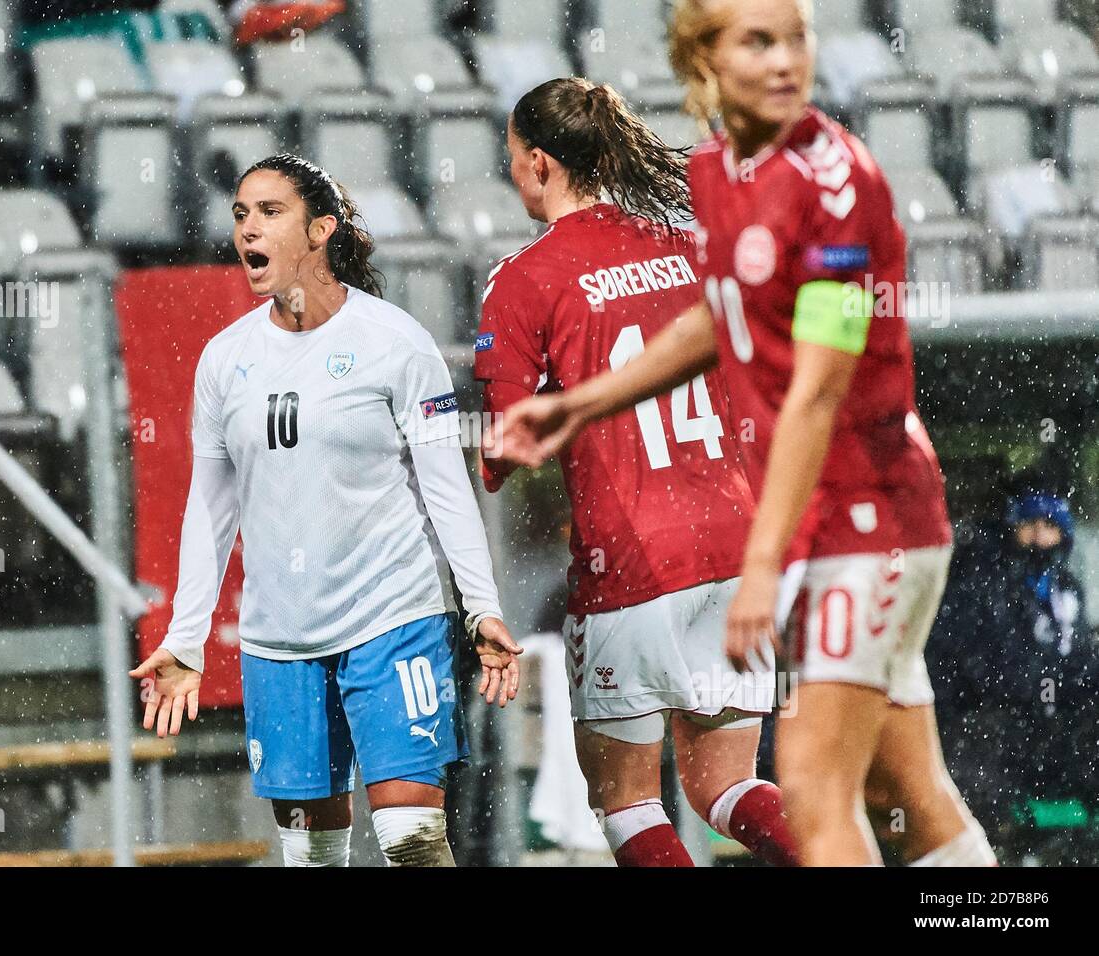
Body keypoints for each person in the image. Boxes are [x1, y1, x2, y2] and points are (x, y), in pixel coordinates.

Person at [489, 0, 995, 867]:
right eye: (758, 41)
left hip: (864, 517)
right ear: (703, 60)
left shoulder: (836, 177)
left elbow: (821, 383)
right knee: (902, 790)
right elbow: (714, 323)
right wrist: (580, 404)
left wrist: (765, 564)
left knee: (817, 789)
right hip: (815, 527)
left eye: (797, 37)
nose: (786, 59)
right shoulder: (721, 179)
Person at [129, 154, 522, 867]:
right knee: (312, 857)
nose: (248, 228)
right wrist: (186, 637)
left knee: (411, 841)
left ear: (320, 231)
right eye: (240, 214)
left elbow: (445, 487)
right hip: (280, 641)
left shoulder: (395, 342)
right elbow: (211, 509)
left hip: (392, 620)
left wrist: (480, 606)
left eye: (269, 212)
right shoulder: (224, 360)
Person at [476, 77, 796, 866]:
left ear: (541, 164)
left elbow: (504, 453)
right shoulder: (688, 249)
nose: (514, 173)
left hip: (632, 560)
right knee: (726, 787)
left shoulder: (524, 281)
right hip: (736, 547)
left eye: (514, 158)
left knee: (624, 801)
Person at [928, 487, 1097, 859]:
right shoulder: (981, 580)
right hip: (986, 721)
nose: (1039, 534)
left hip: (1047, 723)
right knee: (984, 773)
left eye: (1050, 524)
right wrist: (1043, 689)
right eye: (1029, 523)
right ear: (1012, 526)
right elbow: (985, 666)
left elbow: (1079, 661)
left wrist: (1073, 694)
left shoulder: (1066, 589)